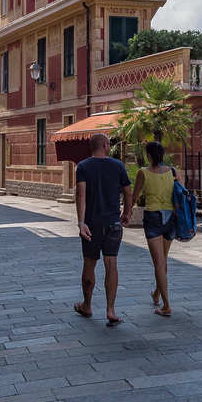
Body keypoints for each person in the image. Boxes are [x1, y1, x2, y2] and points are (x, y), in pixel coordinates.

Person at [74, 133, 133, 327]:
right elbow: (127, 190)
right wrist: (127, 212)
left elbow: (81, 196)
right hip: (113, 224)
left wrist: (81, 222)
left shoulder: (82, 167)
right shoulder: (118, 166)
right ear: (106, 145)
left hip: (91, 224)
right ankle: (110, 310)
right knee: (111, 264)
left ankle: (87, 305)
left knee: (89, 264)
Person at [133, 141, 177, 317]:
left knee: (158, 263)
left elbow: (135, 195)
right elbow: (180, 193)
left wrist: (126, 212)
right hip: (171, 218)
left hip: (153, 218)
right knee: (163, 260)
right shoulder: (173, 172)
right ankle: (157, 294)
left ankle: (166, 305)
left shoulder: (143, 172)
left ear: (149, 156)